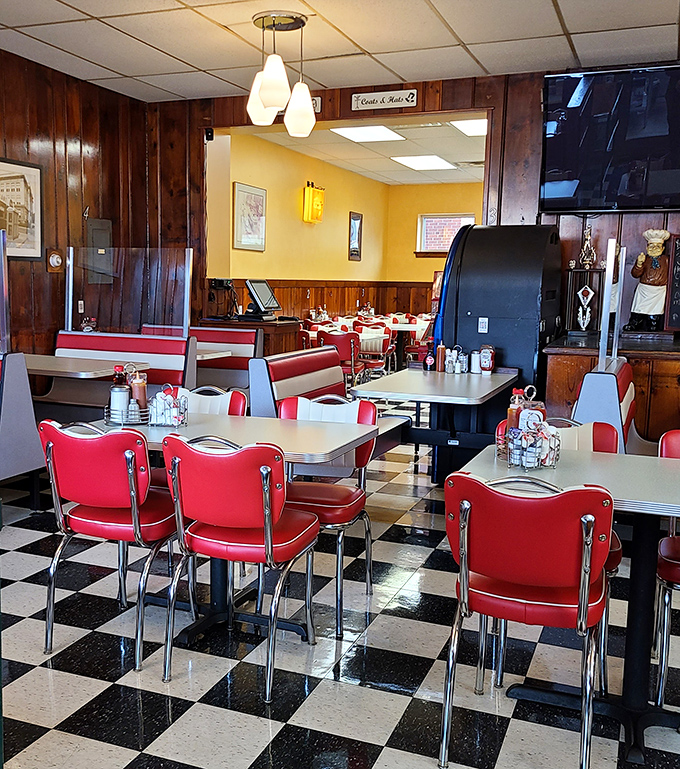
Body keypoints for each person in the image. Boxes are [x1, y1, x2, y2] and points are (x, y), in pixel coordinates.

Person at [623, 228, 670, 332]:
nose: (654, 249)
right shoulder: (644, 259)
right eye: (651, 246)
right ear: (647, 247)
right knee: (638, 309)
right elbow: (635, 274)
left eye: (658, 246)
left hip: (659, 290)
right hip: (644, 289)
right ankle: (634, 323)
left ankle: (653, 325)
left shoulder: (666, 260)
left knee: (656, 311)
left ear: (662, 248)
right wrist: (639, 264)